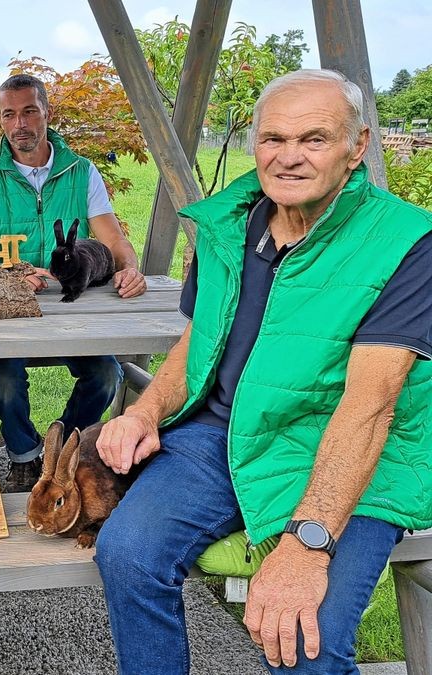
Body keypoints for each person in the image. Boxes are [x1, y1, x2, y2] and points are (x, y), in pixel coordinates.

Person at [94, 69, 432, 674]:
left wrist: (308, 546)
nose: (289, 157)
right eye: (273, 138)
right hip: (221, 435)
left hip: (349, 454)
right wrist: (145, 411)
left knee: (307, 643)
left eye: (314, 139)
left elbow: (369, 408)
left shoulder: (407, 242)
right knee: (127, 553)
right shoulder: (229, 224)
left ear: (357, 147)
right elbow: (199, 344)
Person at [0, 74, 145, 489]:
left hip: (75, 308)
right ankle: (24, 455)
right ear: (0, 121)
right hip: (14, 309)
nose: (19, 123)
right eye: (9, 114)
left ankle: (65, 445)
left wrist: (129, 267)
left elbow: (113, 239)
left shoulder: (82, 172)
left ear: (47, 112)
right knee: (5, 381)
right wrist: (15, 274)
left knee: (107, 377)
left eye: (29, 111)